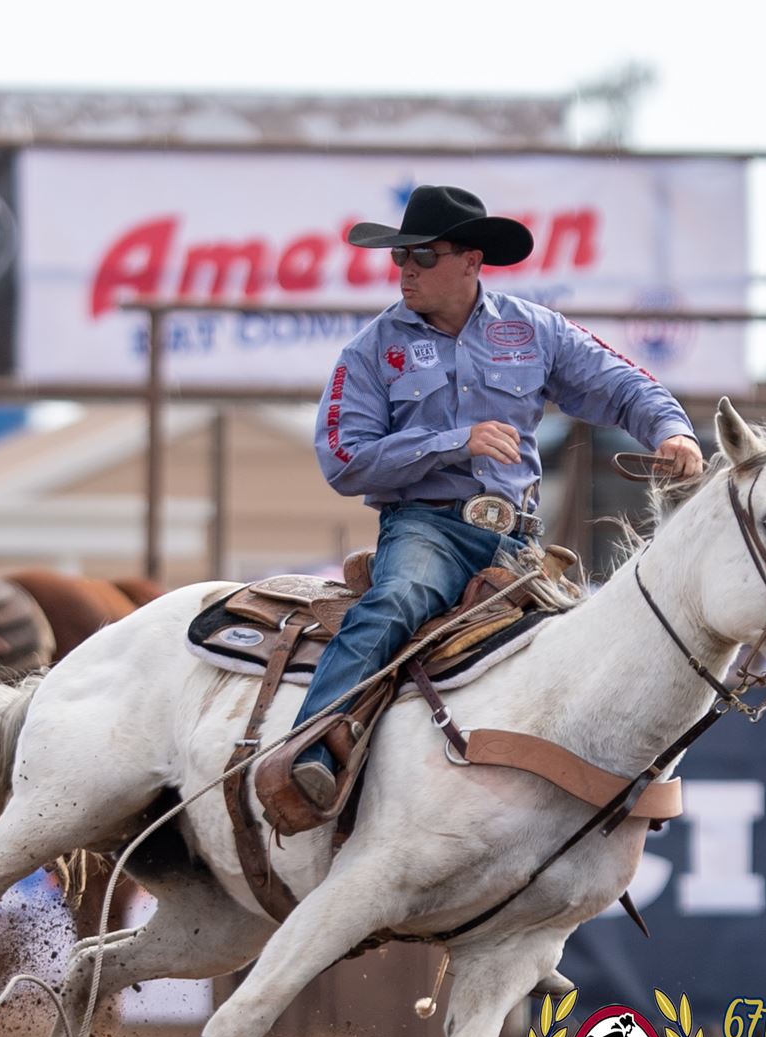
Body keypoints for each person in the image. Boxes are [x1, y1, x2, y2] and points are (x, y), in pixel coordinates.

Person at [277, 185, 707, 812]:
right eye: (401, 259)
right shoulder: (372, 350)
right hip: (428, 529)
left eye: (422, 257)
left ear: (471, 261)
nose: (406, 272)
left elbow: (622, 383)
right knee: (397, 600)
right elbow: (343, 459)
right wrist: (457, 441)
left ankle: (610, 792)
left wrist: (672, 431)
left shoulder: (534, 329)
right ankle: (306, 752)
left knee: (596, 640)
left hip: (520, 541)